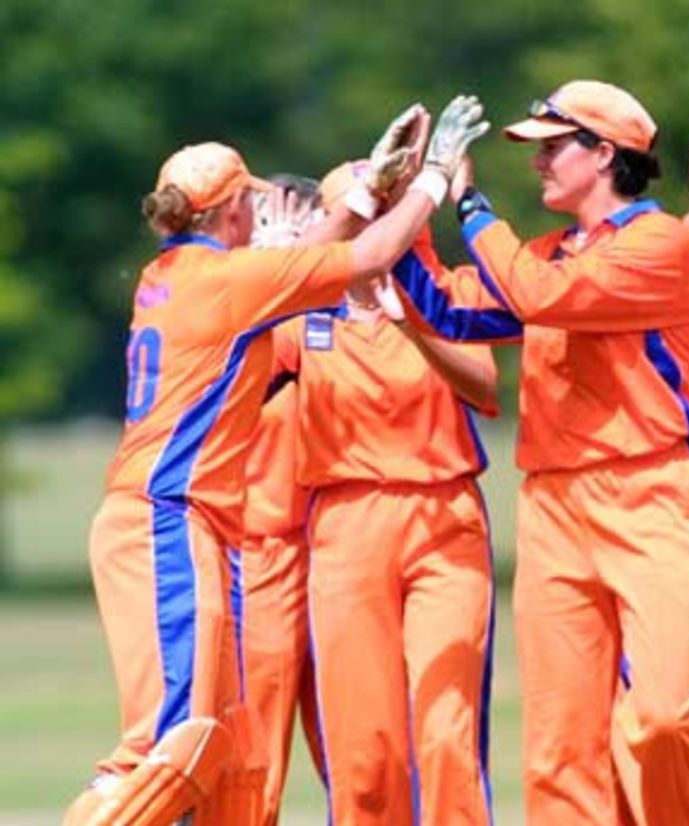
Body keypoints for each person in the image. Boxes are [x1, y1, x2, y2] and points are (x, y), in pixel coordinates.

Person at [64, 95, 489, 826]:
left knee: (217, 741)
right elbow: (367, 257)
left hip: (170, 523)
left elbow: (297, 266)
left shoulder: (172, 275)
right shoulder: (229, 283)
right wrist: (435, 177)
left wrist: (360, 191)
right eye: (249, 205)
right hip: (167, 521)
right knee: (170, 746)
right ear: (231, 211)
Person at [390, 79, 689, 826]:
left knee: (666, 717)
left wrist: (469, 205)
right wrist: (406, 208)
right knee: (559, 744)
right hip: (554, 506)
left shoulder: (659, 243)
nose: (538, 162)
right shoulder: (548, 253)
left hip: (653, 495)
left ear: (605, 154)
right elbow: (446, 308)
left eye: (552, 146)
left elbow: (543, 297)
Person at [270, 159, 499, 825]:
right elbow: (234, 349)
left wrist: (411, 325)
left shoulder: (446, 290)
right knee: (362, 745)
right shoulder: (303, 314)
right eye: (365, 217)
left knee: (446, 729)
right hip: (345, 523)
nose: (382, 232)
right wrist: (280, 263)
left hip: (444, 516)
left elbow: (484, 388)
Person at [238, 177, 326, 826]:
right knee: (253, 762)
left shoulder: (349, 312)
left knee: (364, 754)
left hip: (343, 553)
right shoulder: (234, 307)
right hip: (261, 554)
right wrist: (272, 277)